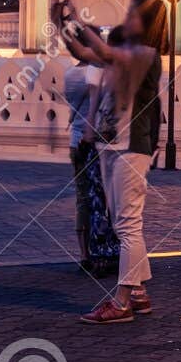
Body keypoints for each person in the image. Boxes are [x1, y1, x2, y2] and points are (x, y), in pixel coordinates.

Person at [54, 0, 167, 325]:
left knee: (127, 226)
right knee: (125, 224)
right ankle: (139, 294)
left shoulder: (146, 55)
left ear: (145, 24)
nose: (126, 19)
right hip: (113, 145)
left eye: (133, 15)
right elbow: (83, 54)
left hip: (132, 148)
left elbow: (101, 51)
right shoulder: (125, 56)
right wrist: (63, 25)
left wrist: (75, 18)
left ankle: (121, 304)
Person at [56, 23, 120, 278]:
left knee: (85, 199)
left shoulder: (70, 74)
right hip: (98, 141)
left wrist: (62, 23)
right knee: (107, 200)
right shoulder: (99, 71)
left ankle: (86, 255)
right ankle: (109, 252)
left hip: (77, 141)